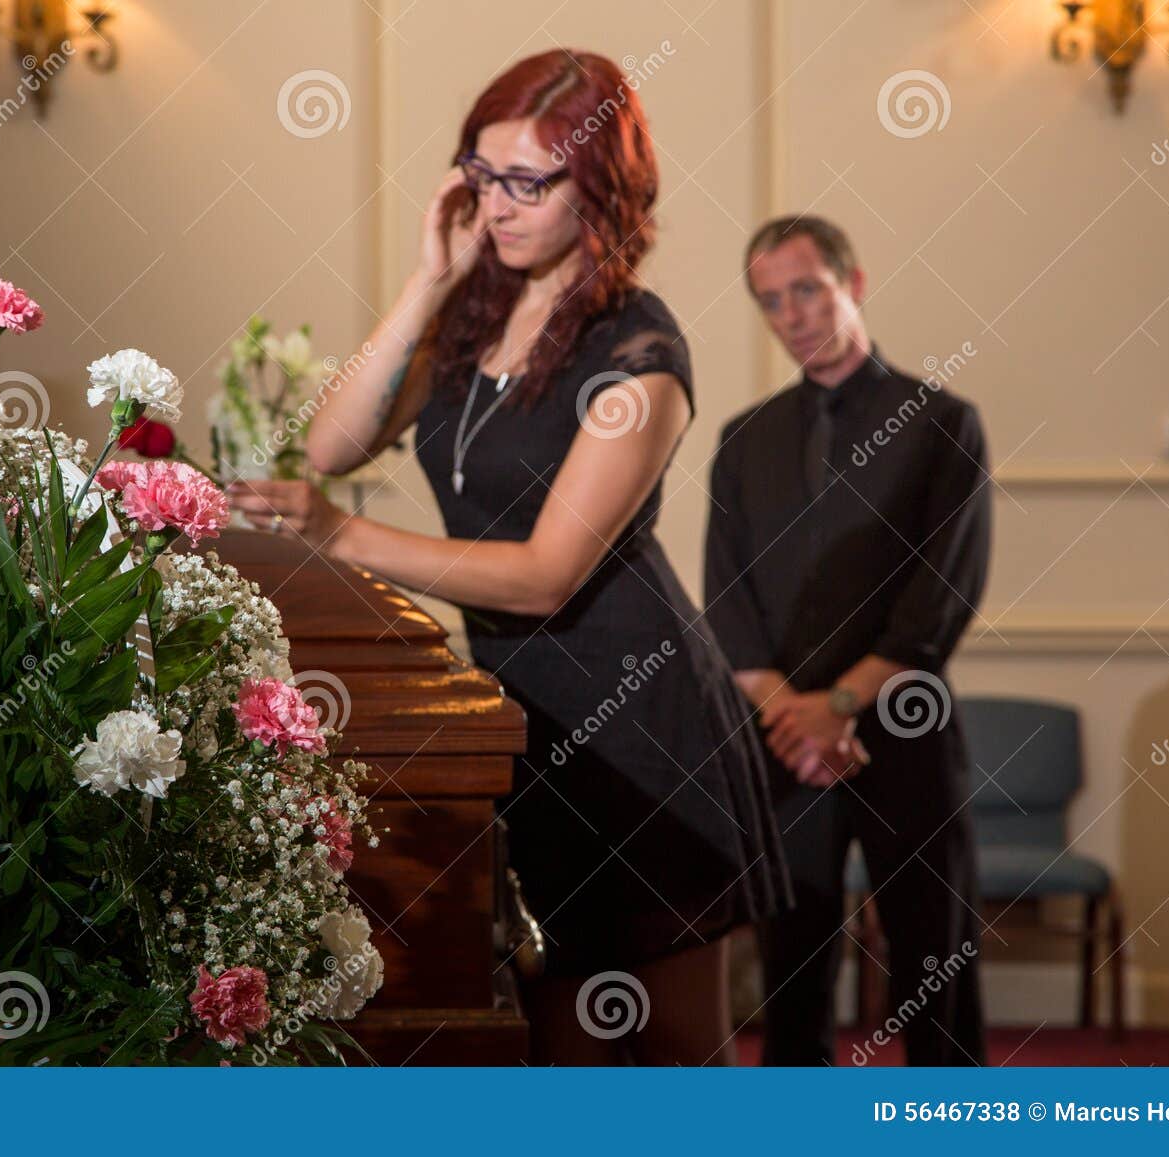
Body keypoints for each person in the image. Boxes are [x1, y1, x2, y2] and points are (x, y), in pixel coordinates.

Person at [226, 49, 791, 1065]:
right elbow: (326, 448)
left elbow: (544, 574)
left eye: (528, 183)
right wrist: (425, 279)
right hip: (518, 720)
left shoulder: (639, 354)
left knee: (670, 1058)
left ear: (604, 189)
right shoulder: (474, 316)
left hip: (640, 724)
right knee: (556, 1045)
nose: (496, 206)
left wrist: (337, 533)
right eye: (479, 176)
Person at [704, 214, 992, 1065]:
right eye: (770, 302)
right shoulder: (742, 439)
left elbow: (940, 597)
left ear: (853, 283)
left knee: (931, 957)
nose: (791, 315)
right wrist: (792, 717)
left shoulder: (945, 422)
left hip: (903, 721)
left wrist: (835, 706)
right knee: (791, 974)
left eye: (807, 290)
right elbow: (731, 606)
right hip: (782, 740)